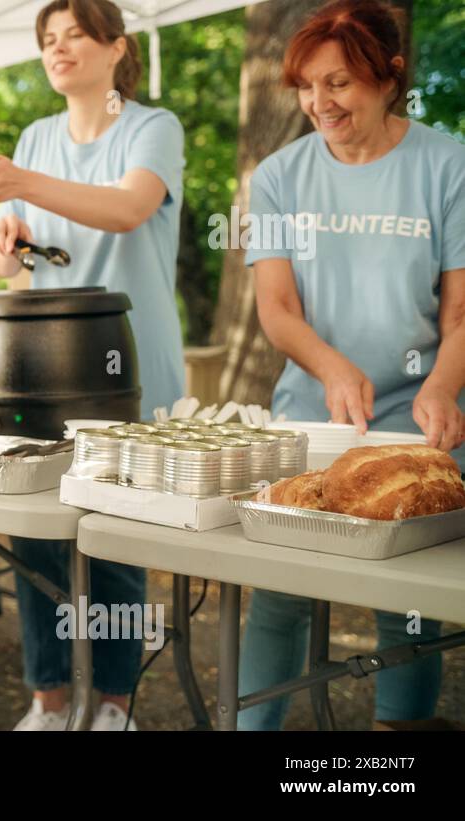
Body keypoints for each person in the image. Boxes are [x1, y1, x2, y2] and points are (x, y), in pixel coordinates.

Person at [0, 0, 186, 731]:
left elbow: (126, 209)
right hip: (43, 375)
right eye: (47, 40)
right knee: (37, 534)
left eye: (75, 36)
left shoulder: (153, 128)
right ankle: (50, 700)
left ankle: (113, 702)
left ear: (116, 48)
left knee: (115, 539)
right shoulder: (34, 138)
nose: (57, 49)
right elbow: (19, 267)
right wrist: (8, 247)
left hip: (128, 369)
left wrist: (22, 186)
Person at [242, 0, 465, 730]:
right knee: (276, 588)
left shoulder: (449, 163)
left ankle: (398, 736)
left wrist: (440, 386)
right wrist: (333, 368)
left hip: (416, 412)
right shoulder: (277, 175)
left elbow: (458, 312)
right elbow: (276, 307)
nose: (319, 103)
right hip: (312, 408)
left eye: (338, 83)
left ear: (388, 75)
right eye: (307, 85)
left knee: (405, 597)